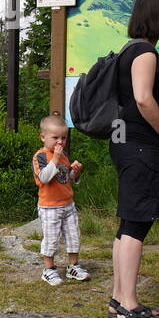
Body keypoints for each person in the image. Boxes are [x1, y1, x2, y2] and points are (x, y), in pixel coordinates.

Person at [109, 0, 159, 318]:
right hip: (140, 145)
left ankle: (118, 299)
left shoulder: (130, 50)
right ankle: (129, 305)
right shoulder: (145, 52)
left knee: (128, 222)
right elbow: (143, 98)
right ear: (156, 17)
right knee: (137, 221)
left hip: (124, 142)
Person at [33, 115, 89, 285]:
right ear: (43, 137)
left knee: (73, 236)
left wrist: (76, 172)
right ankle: (49, 270)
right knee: (51, 239)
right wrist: (55, 160)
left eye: (63, 138)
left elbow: (68, 177)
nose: (60, 142)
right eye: (55, 137)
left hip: (68, 204)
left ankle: (73, 266)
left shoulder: (64, 155)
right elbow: (44, 178)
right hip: (50, 207)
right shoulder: (41, 156)